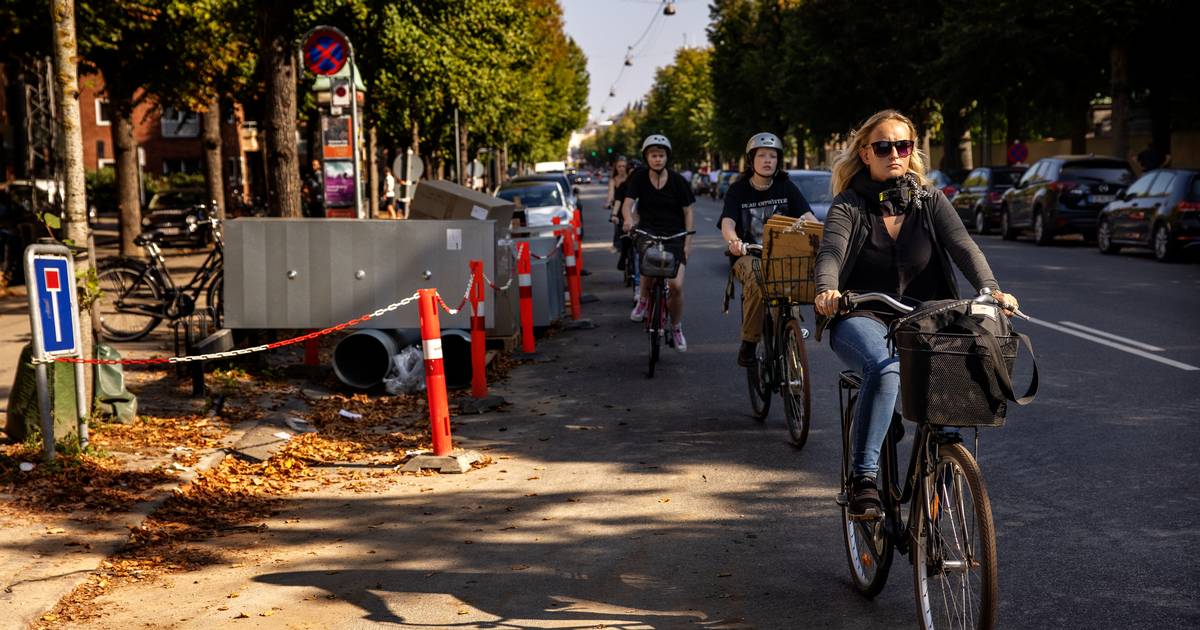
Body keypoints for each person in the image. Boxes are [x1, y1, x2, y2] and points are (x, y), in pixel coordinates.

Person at [813, 109, 1020, 520]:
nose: (895, 154)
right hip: (863, 313)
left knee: (949, 399)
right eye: (884, 146)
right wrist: (827, 290)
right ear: (865, 153)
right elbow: (831, 252)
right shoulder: (848, 204)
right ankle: (864, 481)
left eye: (903, 146)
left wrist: (991, 289)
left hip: (926, 317)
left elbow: (963, 247)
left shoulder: (930, 200)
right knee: (884, 368)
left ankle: (940, 474)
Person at [720, 132, 814, 367]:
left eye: (772, 156)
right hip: (748, 255)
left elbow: (808, 216)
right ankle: (749, 343)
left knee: (808, 275)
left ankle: (790, 325)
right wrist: (733, 241)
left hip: (783, 255)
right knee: (757, 277)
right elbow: (727, 222)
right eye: (762, 155)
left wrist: (821, 232)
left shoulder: (786, 187)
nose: (767, 160)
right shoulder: (738, 190)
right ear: (751, 160)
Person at [621, 134, 696, 351]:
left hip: (675, 235)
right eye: (653, 155)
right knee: (649, 258)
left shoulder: (678, 181)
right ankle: (643, 300)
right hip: (649, 231)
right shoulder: (639, 178)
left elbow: (688, 212)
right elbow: (628, 203)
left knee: (676, 286)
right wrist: (627, 219)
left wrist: (687, 242)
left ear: (667, 157)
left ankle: (676, 327)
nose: (657, 159)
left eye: (661, 155)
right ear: (647, 157)